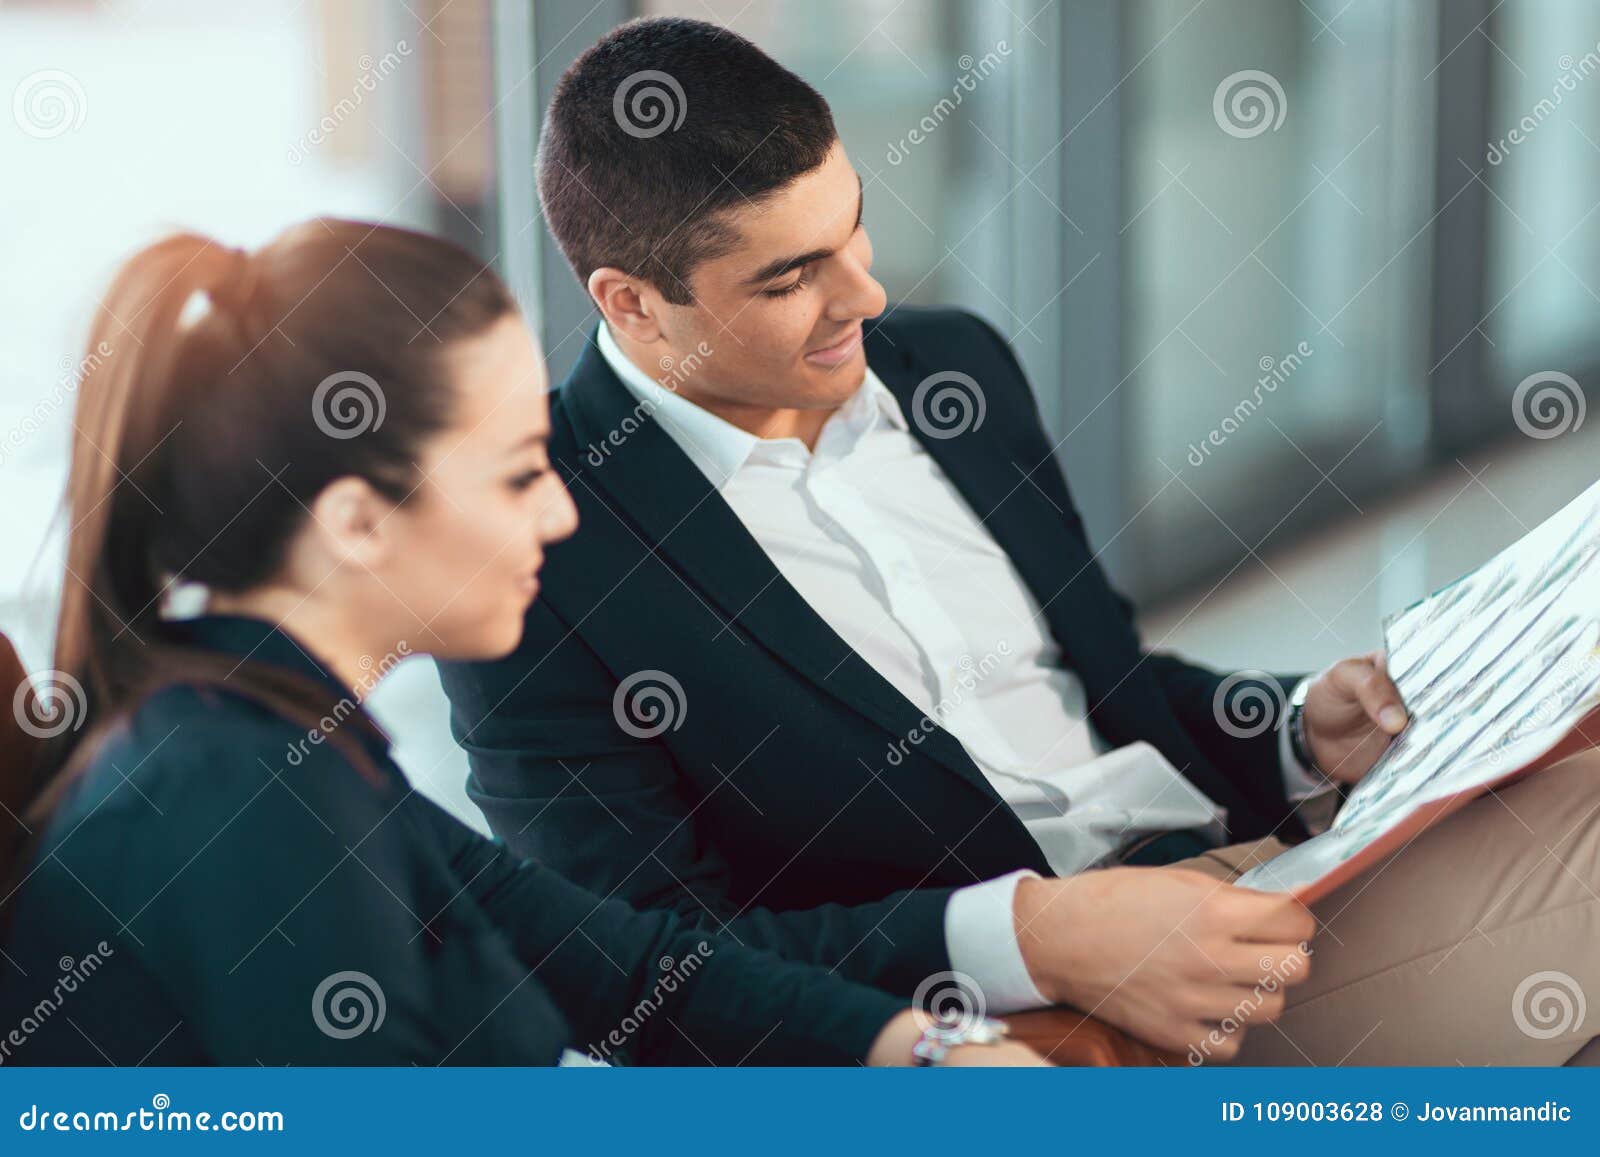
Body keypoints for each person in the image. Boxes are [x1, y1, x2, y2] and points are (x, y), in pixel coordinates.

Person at [439, 15, 1600, 1065]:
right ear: (632, 302)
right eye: (791, 277)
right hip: (1023, 1016)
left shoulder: (950, 367)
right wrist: (1027, 937)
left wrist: (1292, 728)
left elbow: (1106, 687)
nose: (867, 295)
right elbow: (647, 966)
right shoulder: (540, 545)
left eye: (852, 228)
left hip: (1252, 865)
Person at [0, 219, 1047, 1067]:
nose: (558, 512)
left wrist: (920, 1047)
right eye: (516, 474)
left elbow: (628, 968)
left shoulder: (292, 747)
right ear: (358, 521)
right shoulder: (241, 793)